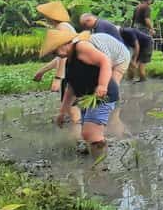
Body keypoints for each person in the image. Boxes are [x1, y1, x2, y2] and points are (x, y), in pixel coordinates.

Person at [40, 28, 129, 162]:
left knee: (90, 133)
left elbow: (105, 61)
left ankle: (99, 169)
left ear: (64, 43)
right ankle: (95, 153)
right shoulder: (69, 60)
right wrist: (62, 112)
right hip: (87, 98)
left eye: (55, 50)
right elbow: (71, 88)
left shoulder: (81, 47)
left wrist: (102, 85)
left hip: (102, 95)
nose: (56, 54)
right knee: (87, 132)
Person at [79, 14, 152, 82]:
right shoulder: (99, 25)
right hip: (122, 52)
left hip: (146, 44)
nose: (85, 28)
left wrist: (134, 60)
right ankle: (131, 82)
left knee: (140, 67)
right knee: (129, 68)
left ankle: (142, 82)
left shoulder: (101, 26)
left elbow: (137, 45)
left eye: (85, 25)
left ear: (89, 20)